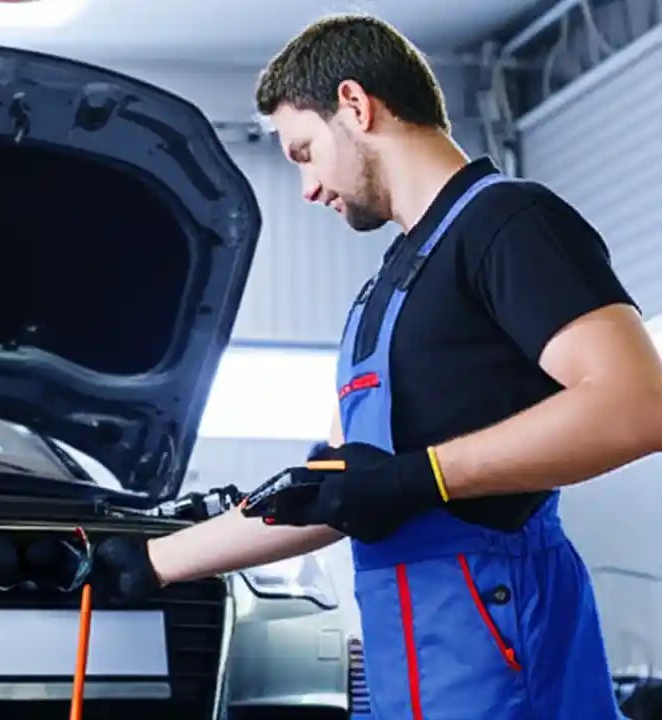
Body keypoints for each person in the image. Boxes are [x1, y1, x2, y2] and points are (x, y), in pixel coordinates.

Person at [90, 12, 662, 720]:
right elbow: (334, 493)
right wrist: (148, 560)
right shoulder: (381, 295)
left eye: (304, 151)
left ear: (355, 105)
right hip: (410, 664)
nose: (306, 187)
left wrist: (419, 476)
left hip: (503, 651)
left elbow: (635, 403)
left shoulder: (508, 224)